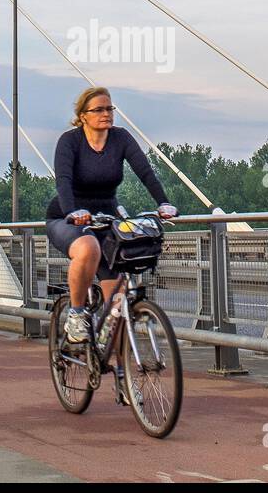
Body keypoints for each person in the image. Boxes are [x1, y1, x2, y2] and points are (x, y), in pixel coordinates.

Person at [45, 86, 177, 349]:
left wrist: (163, 202)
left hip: (107, 216)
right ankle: (76, 314)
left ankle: (120, 375)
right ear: (83, 115)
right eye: (99, 110)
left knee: (117, 305)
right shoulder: (70, 142)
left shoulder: (121, 139)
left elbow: (145, 171)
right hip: (67, 217)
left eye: (109, 108)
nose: (106, 114)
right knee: (88, 248)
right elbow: (64, 180)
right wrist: (73, 211)